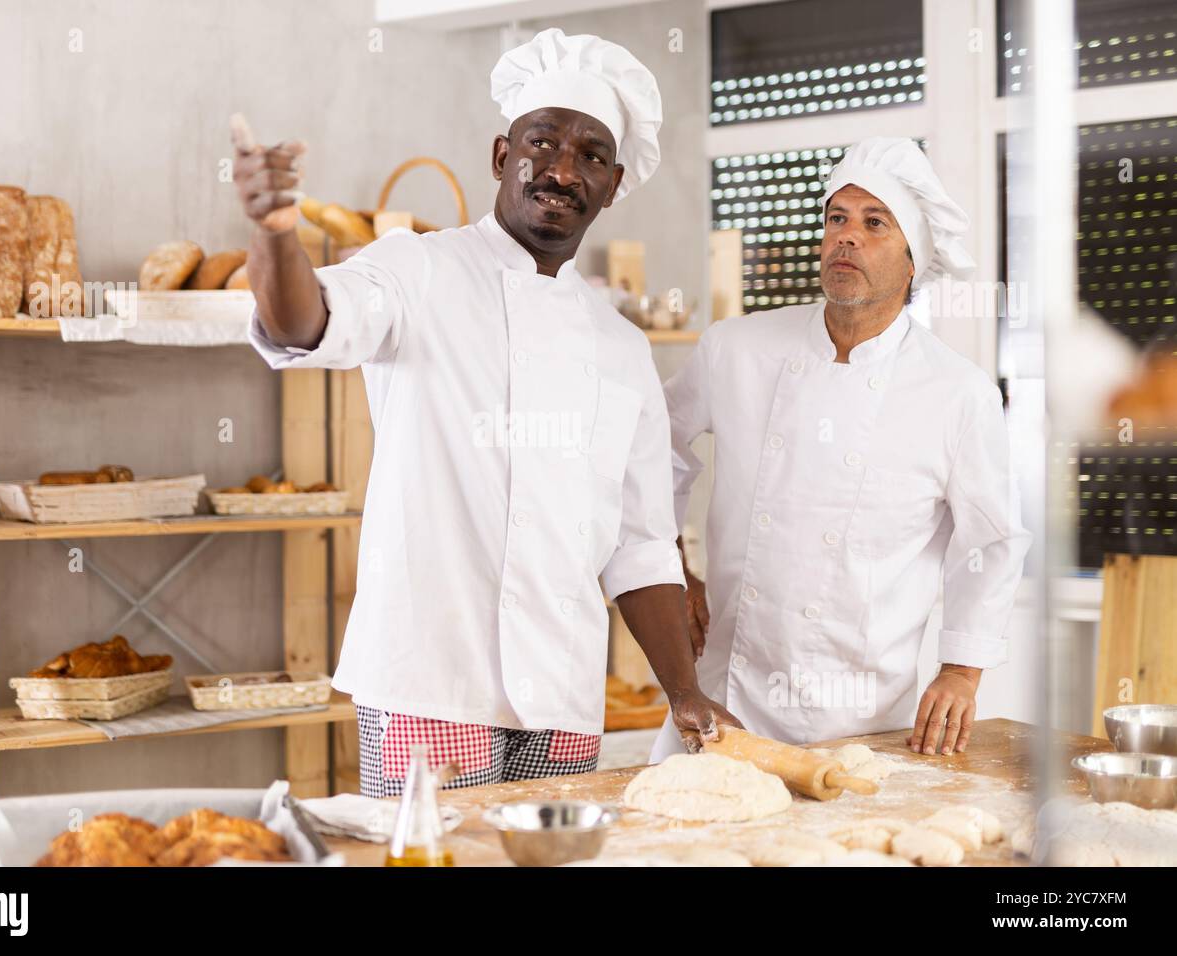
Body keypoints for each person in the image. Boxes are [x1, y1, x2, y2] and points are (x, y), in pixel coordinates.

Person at [235, 28, 736, 797]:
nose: (564, 170)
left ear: (612, 183)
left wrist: (684, 692)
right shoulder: (416, 271)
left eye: (592, 156)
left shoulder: (622, 346)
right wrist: (275, 237)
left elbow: (639, 548)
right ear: (504, 157)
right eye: (545, 143)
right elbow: (305, 324)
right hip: (429, 681)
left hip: (563, 697)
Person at [650, 138, 1031, 762]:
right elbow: (652, 443)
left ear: (914, 262)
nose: (846, 237)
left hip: (861, 723)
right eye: (836, 219)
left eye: (873, 223)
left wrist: (962, 670)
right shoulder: (736, 349)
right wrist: (671, 566)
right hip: (720, 708)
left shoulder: (957, 393)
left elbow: (991, 541)